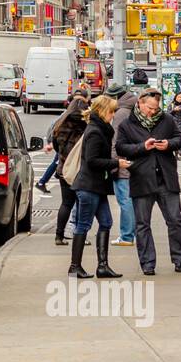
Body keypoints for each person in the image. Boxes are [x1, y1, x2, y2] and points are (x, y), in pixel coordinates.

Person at [115, 89, 181, 274]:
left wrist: (169, 144)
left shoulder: (167, 119)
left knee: (175, 220)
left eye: (156, 109)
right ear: (140, 103)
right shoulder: (127, 124)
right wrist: (142, 147)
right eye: (150, 108)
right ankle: (147, 263)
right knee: (142, 224)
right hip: (142, 178)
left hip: (166, 178)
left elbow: (180, 137)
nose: (153, 112)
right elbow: (120, 148)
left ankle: (178, 259)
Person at [69, 94, 129, 280]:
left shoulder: (99, 129)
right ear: (103, 111)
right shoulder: (95, 131)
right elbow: (92, 160)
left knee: (106, 222)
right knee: (84, 225)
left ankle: (102, 266)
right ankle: (75, 266)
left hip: (96, 186)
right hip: (89, 185)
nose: (113, 115)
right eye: (111, 111)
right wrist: (116, 163)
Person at [50, 89, 90, 247]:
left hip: (64, 168)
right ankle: (80, 236)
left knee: (66, 203)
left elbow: (55, 146)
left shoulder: (61, 123)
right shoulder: (84, 125)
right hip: (80, 169)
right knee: (81, 203)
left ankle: (59, 235)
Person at [106, 83, 138, 249]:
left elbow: (115, 141)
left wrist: (113, 164)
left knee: (125, 200)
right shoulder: (134, 107)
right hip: (135, 160)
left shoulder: (121, 113)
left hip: (123, 162)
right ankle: (133, 233)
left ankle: (127, 235)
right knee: (131, 200)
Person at [168, 92, 181, 158]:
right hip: (173, 123)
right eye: (178, 97)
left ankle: (180, 151)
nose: (180, 98)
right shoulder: (171, 105)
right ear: (175, 97)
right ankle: (176, 154)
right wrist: (174, 110)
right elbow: (167, 114)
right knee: (174, 138)